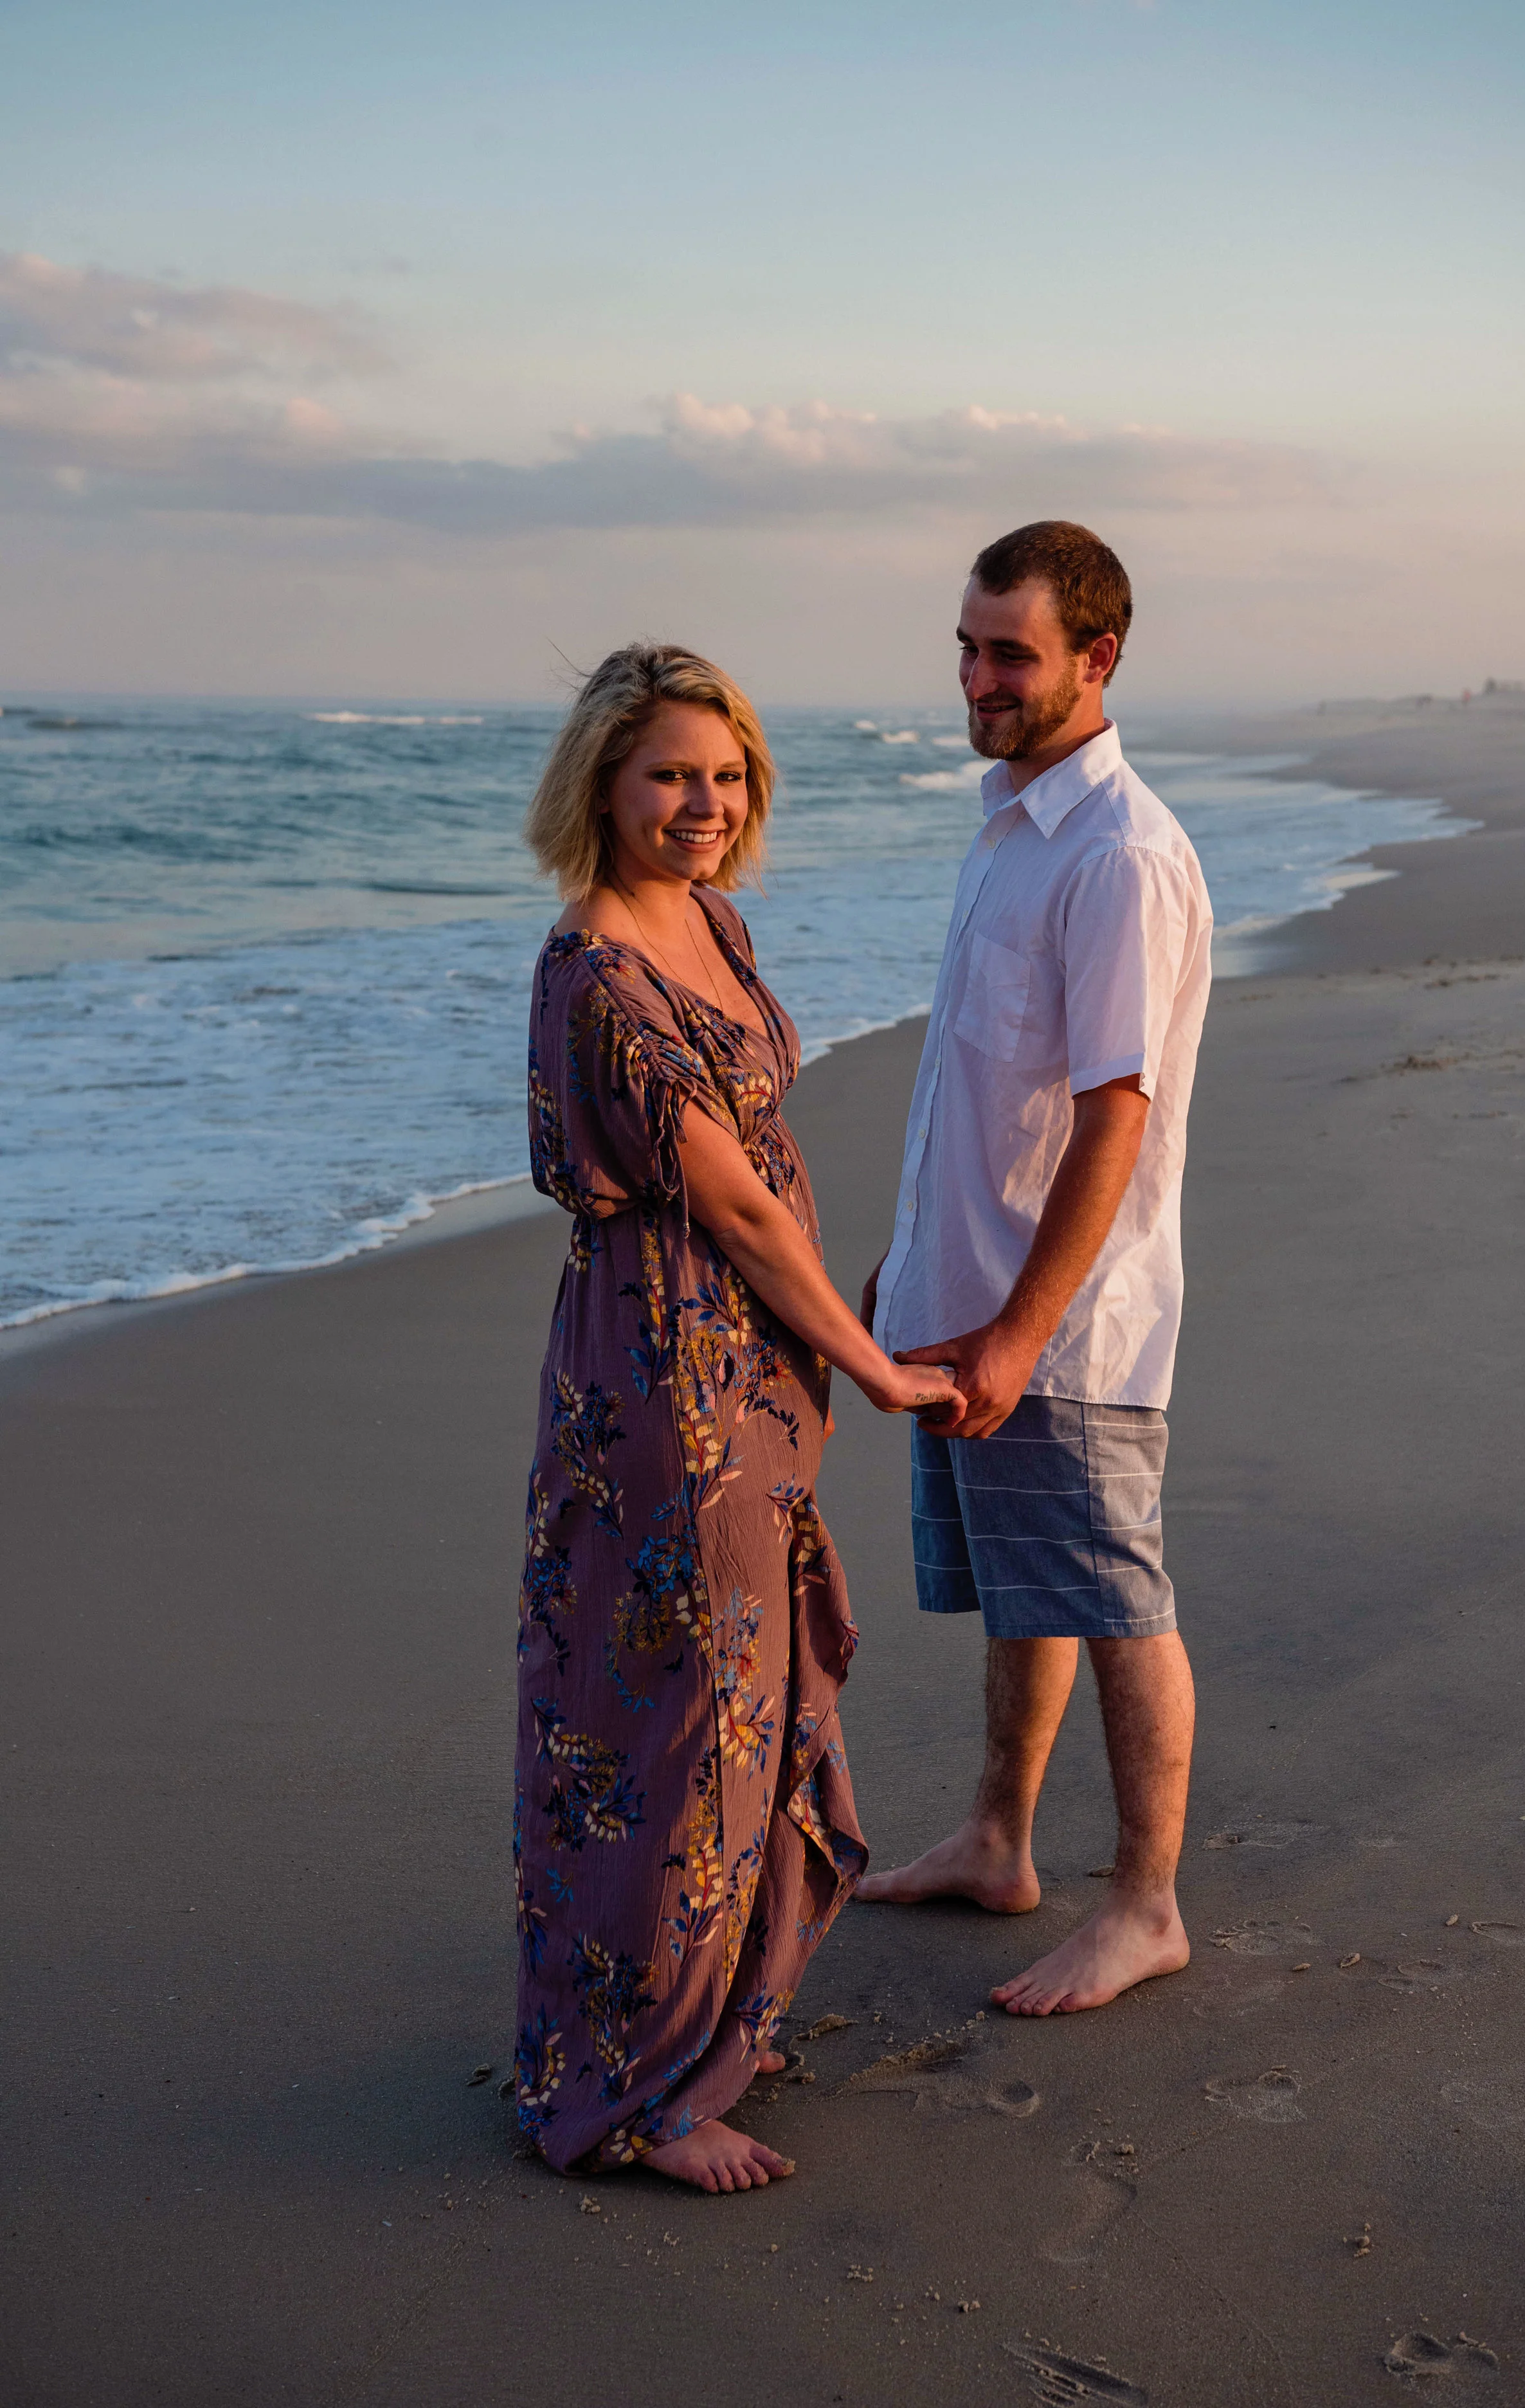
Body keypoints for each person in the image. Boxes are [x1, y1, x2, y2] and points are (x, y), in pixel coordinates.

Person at [513, 642, 963, 2194]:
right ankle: (639, 2099)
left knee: (731, 1698)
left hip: (754, 1371)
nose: (704, 804)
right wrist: (885, 1362)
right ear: (602, 787)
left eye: (725, 774)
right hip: (668, 1374)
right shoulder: (596, 973)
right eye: (668, 777)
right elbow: (742, 1220)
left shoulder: (712, 920)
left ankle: (697, 2032)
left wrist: (823, 1357)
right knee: (680, 1718)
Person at [858, 521, 1213, 2017]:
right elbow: (970, 1082)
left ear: (1095, 659)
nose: (976, 676)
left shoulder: (1117, 855)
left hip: (1058, 1328)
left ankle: (1143, 1906)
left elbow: (1110, 1115)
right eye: (965, 645)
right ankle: (1000, 1840)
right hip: (967, 1293)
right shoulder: (1010, 827)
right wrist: (909, 1264)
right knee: (1028, 1588)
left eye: (1008, 651)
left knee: (1115, 1597)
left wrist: (1018, 1327)